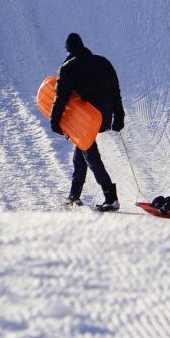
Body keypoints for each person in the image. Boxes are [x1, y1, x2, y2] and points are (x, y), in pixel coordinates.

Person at [52, 32, 122, 208]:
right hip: (102, 118)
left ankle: (110, 196)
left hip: (84, 120)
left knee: (91, 155)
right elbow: (115, 91)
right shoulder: (103, 62)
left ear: (68, 50)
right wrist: (118, 117)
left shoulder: (68, 67)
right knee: (81, 151)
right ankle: (74, 194)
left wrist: (55, 121)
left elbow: (61, 97)